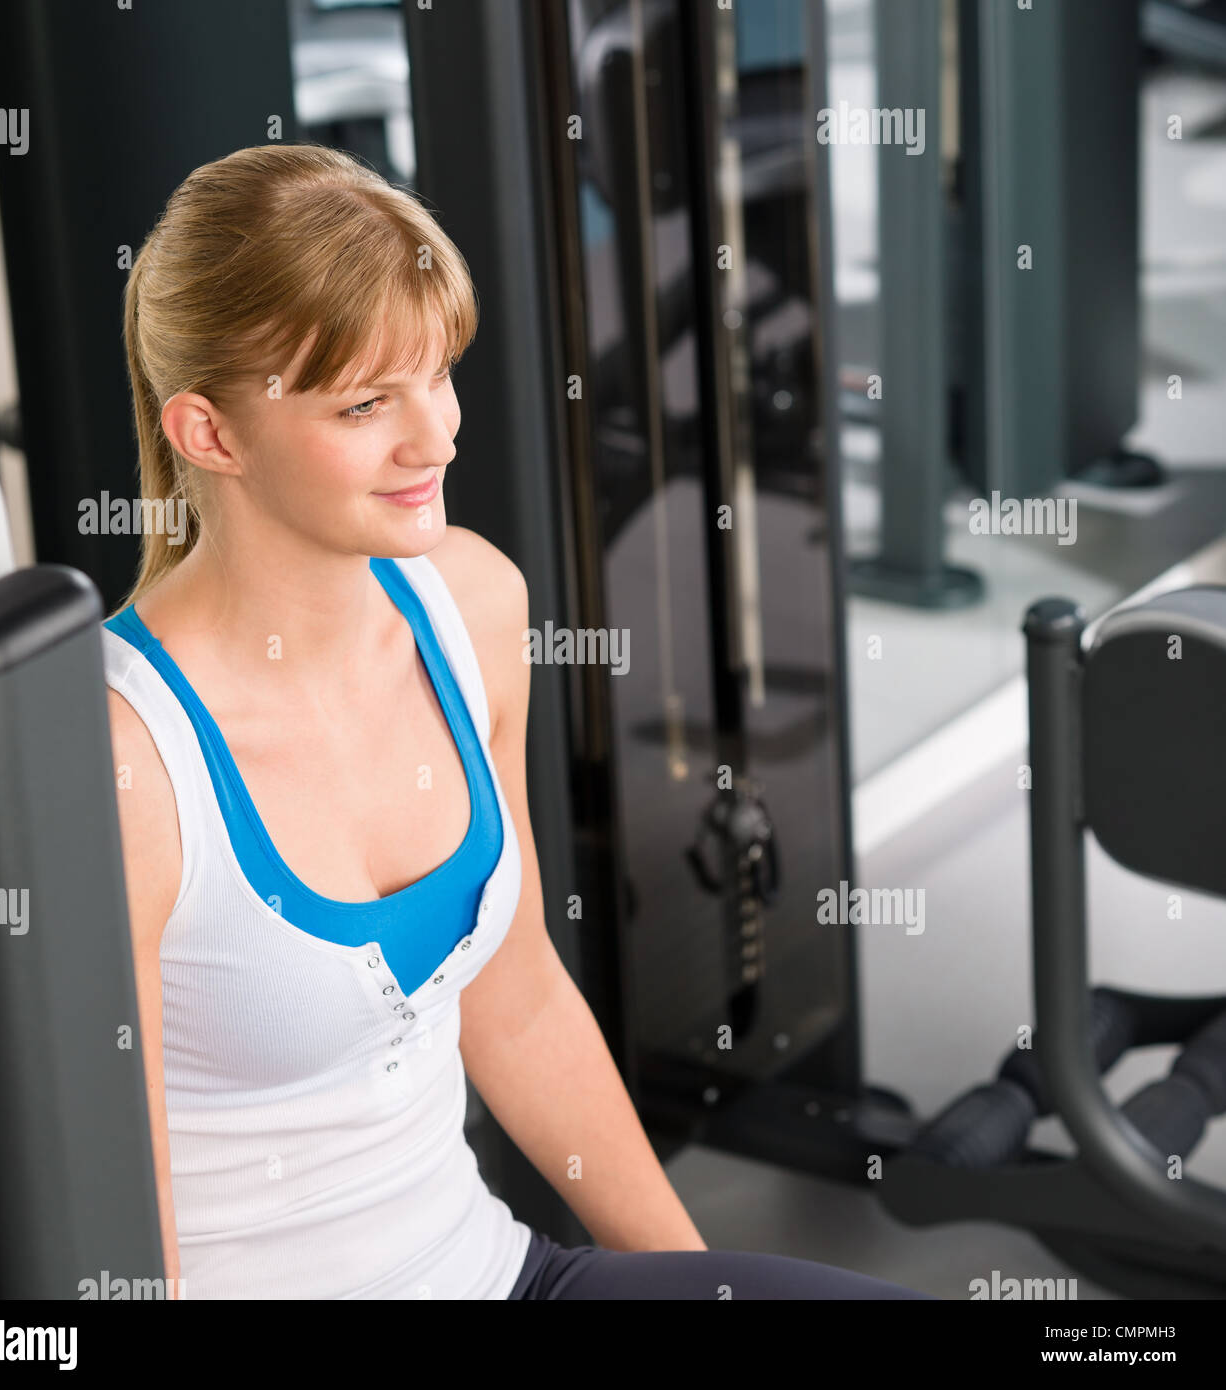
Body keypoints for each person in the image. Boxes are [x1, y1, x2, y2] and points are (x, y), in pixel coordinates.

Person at [105, 142, 933, 1301]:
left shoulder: (472, 604)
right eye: (364, 404)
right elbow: (112, 1251)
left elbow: (519, 996)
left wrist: (705, 1292)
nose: (434, 437)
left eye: (437, 374)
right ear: (210, 435)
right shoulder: (122, 761)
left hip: (502, 1277)